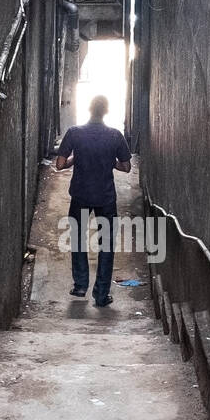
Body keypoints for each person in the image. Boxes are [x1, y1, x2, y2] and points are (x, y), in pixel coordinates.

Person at [56, 96, 132, 306]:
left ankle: (80, 286)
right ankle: (101, 295)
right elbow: (126, 167)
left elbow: (60, 164)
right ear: (106, 111)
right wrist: (110, 161)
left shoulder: (74, 133)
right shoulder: (115, 136)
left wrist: (75, 158)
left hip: (80, 195)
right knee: (106, 245)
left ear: (89, 109)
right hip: (105, 197)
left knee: (78, 240)